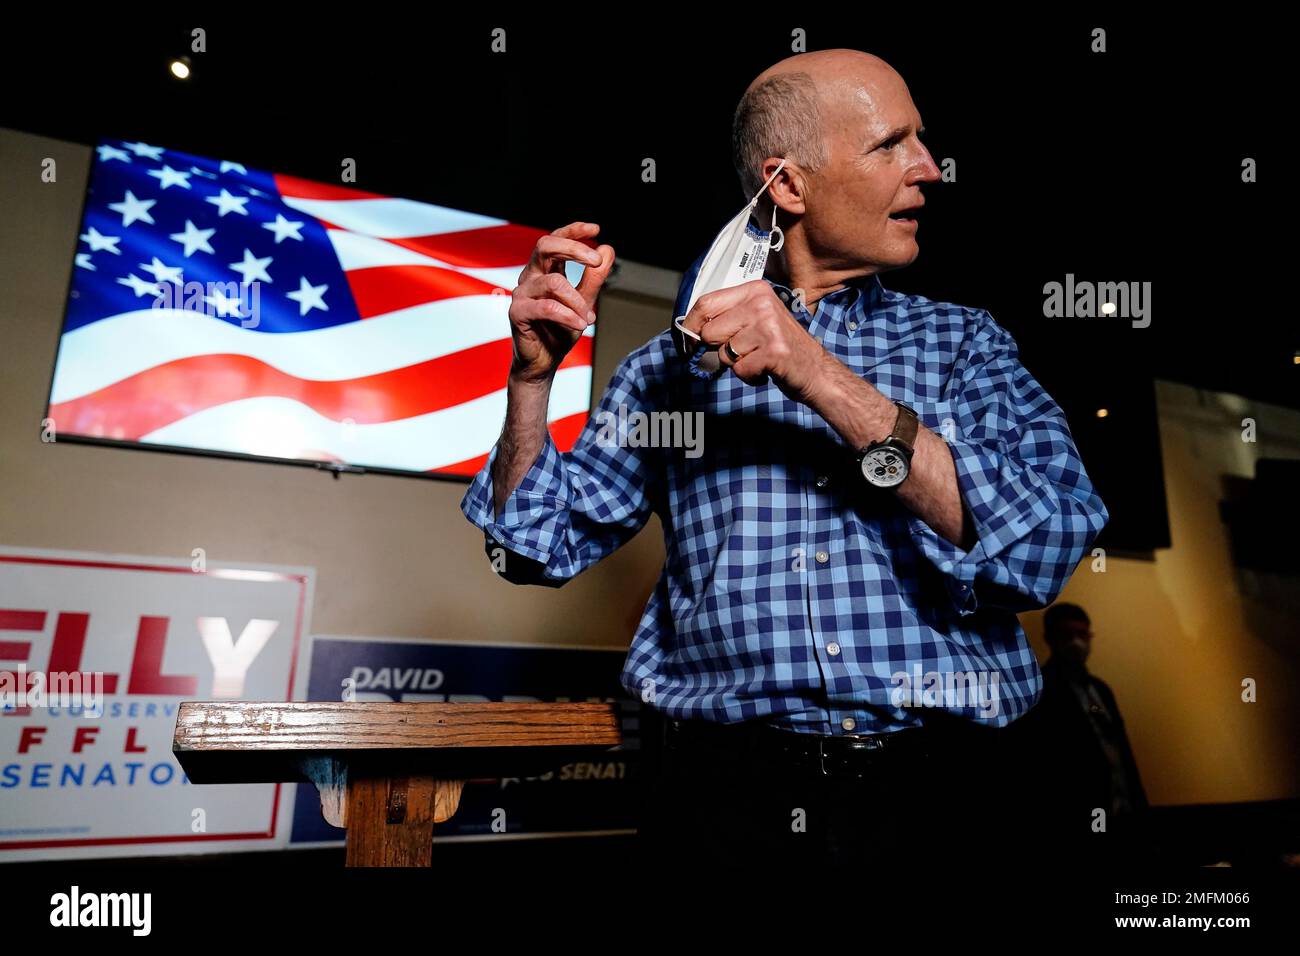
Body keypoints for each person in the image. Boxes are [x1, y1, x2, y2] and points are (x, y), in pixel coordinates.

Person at [460, 49, 1109, 866]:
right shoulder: (668, 371)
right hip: (723, 806)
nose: (930, 169)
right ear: (790, 186)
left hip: (955, 801)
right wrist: (531, 380)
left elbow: (1052, 544)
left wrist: (817, 374)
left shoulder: (966, 344)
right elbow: (530, 546)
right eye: (892, 144)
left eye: (923, 141)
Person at [1022, 602, 1150, 860]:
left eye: (1082, 635)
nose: (1076, 643)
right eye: (1067, 635)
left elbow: (1122, 753)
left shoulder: (1100, 690)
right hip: (1075, 822)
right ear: (1050, 639)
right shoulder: (1040, 691)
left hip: (1122, 813)